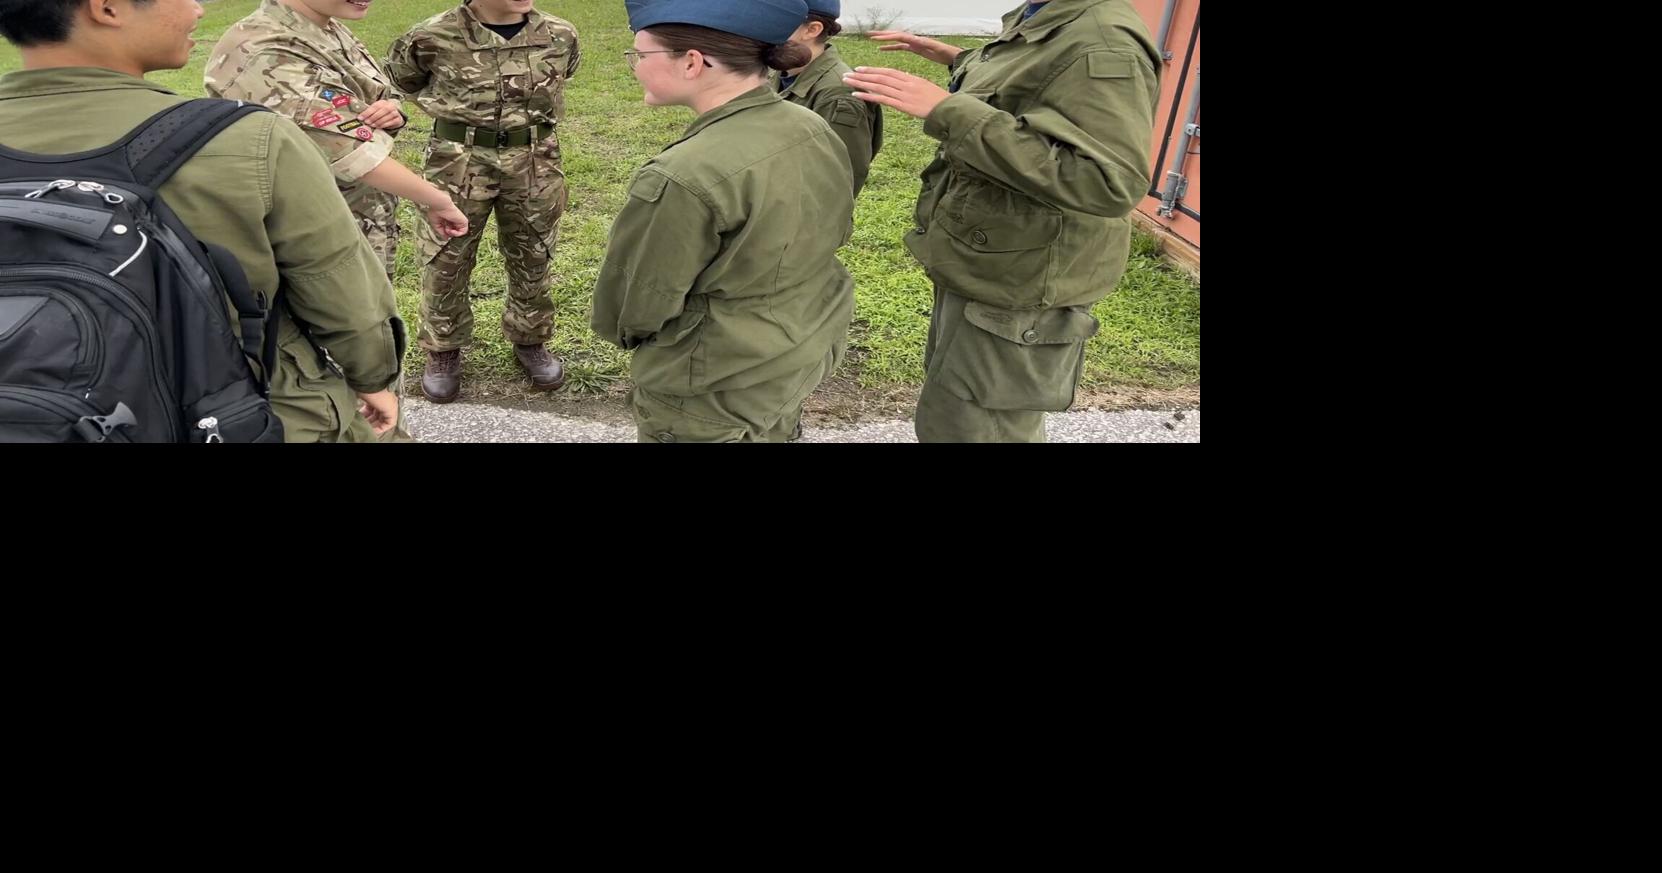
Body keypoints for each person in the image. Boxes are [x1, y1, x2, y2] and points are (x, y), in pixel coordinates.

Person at [0, 0, 406, 442]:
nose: (197, 9)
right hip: (244, 412)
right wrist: (373, 378)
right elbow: (343, 293)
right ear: (108, 8)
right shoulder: (250, 140)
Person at [845, 1, 1161, 442]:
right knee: (952, 408)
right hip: (990, 262)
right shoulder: (1046, 14)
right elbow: (1037, 85)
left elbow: (1106, 182)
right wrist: (958, 59)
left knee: (978, 426)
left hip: (1022, 280)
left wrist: (947, 110)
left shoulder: (1102, 44)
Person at [591, 0, 855, 443]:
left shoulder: (684, 174)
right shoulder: (807, 123)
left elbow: (634, 305)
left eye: (640, 54)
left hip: (714, 384)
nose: (634, 67)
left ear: (692, 62)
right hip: (797, 349)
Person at [385, 0, 579, 402]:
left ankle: (530, 338)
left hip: (535, 160)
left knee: (535, 252)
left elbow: (566, 73)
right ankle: (443, 348)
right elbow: (403, 80)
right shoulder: (430, 36)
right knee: (445, 255)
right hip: (458, 161)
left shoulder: (561, 34)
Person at [773, 0, 881, 197]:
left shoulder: (839, 94)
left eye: (775, 19)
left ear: (812, 29)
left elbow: (839, 181)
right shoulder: (776, 73)